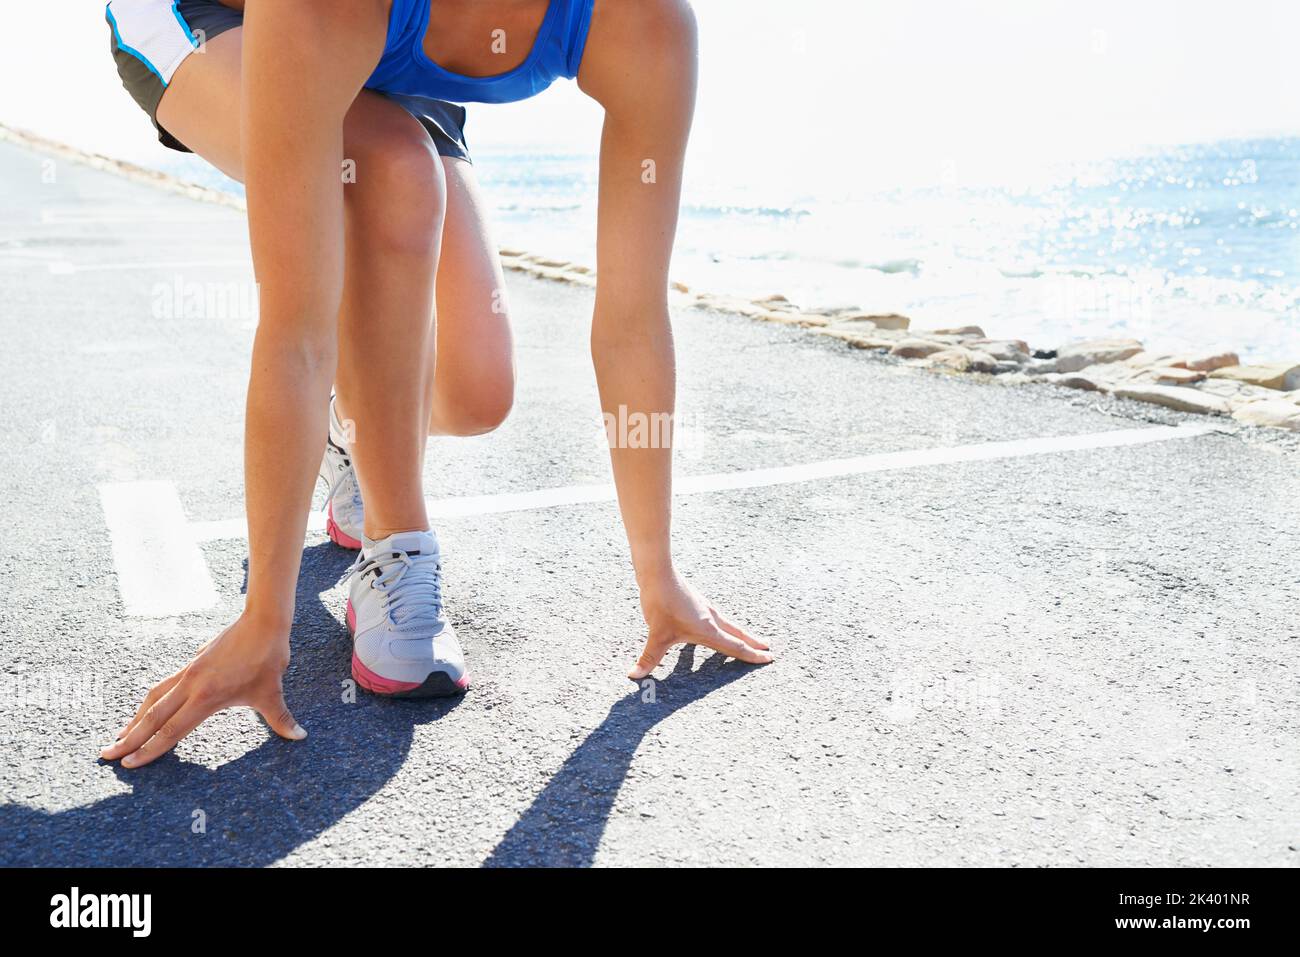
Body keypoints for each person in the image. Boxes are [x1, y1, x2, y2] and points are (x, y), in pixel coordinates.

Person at [99, 0, 772, 770]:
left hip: (392, 60)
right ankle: (399, 552)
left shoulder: (646, 25)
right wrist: (265, 620)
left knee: (477, 391)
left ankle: (350, 431)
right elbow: (298, 332)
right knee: (392, 170)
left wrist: (660, 576)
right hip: (215, 19)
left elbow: (633, 320)